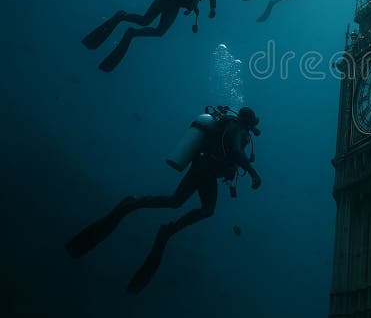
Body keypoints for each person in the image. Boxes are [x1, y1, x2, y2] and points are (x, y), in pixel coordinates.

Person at [66, 106, 263, 294]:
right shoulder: (236, 128)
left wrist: (234, 168)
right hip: (204, 170)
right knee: (182, 203)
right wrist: (253, 172)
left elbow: (232, 156)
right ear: (247, 122)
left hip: (206, 170)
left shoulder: (232, 127)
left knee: (185, 204)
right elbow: (236, 153)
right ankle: (142, 211)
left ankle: (146, 214)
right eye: (252, 124)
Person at [81, 0, 222, 72]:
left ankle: (131, 33)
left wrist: (212, 8)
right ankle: (121, 16)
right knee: (145, 20)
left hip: (175, 5)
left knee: (159, 31)